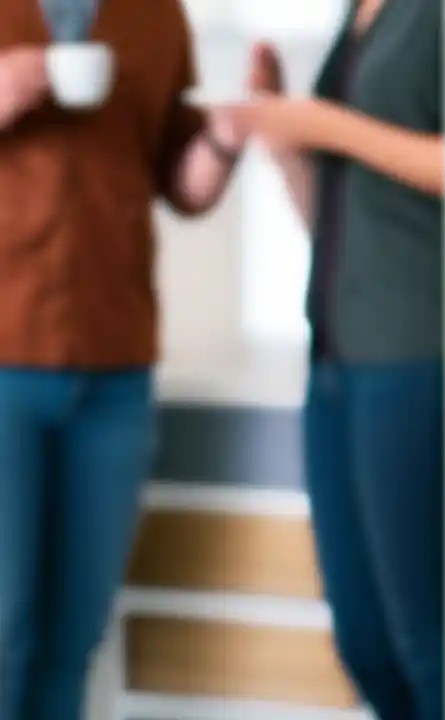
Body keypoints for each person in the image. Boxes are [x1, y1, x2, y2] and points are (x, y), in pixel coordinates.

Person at [0, 0, 255, 718]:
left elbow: (182, 181)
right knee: (6, 635)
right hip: (6, 365)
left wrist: (228, 138)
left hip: (116, 373)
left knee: (73, 641)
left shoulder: (156, 15)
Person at [235, 0, 445, 717]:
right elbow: (330, 214)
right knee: (365, 645)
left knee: (429, 646)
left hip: (412, 353)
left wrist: (321, 124)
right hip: (335, 354)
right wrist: (284, 139)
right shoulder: (359, 12)